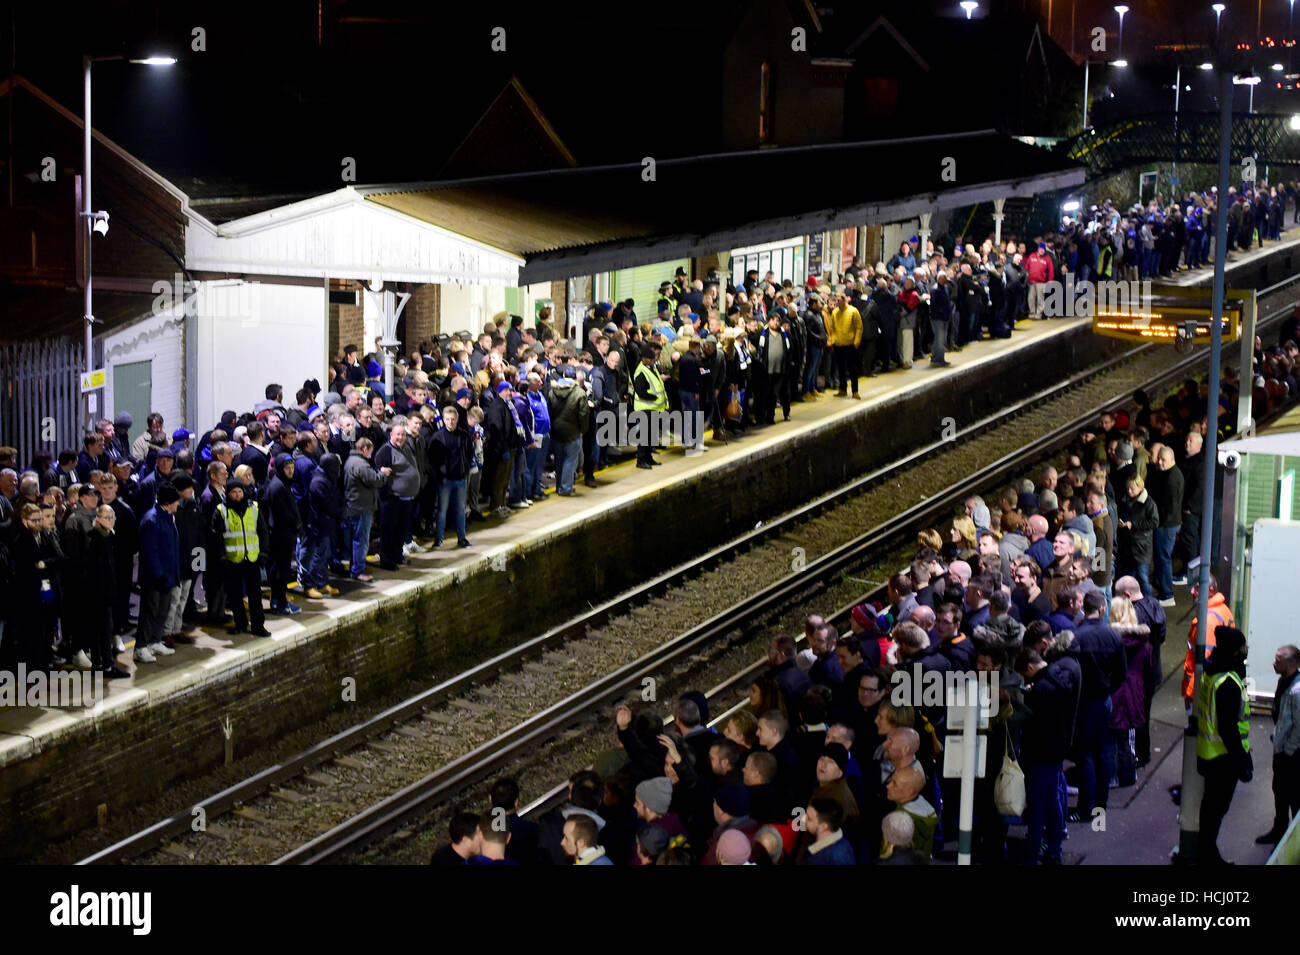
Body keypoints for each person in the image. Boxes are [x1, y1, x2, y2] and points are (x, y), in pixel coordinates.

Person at [1194, 627, 1253, 865]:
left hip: (1209, 754)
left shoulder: (1213, 672)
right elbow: (1228, 728)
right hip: (1224, 758)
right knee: (1216, 810)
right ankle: (1208, 856)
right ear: (1235, 651)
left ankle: (1205, 852)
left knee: (1210, 808)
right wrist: (1243, 760)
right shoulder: (1228, 681)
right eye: (1243, 646)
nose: (1246, 649)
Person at [212, 479, 271, 637]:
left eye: (240, 492)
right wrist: (222, 557)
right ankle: (240, 624)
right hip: (232, 560)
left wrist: (264, 553)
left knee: (255, 595)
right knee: (235, 595)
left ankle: (258, 625)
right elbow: (216, 538)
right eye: (234, 492)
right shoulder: (221, 511)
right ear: (228, 494)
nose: (237, 495)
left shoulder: (254, 508)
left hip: (252, 558)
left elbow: (263, 531)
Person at [1257, 645, 1300, 844]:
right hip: (1282, 750)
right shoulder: (1284, 681)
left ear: (1290, 664)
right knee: (1280, 791)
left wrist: (1288, 750)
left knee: (1294, 796)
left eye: (1278, 661)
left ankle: (1293, 840)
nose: (1274, 663)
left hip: (1293, 755)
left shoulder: (1297, 691)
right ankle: (1280, 830)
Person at [136, 483, 183, 663]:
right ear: (168, 503)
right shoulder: (152, 520)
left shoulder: (168, 517)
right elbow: (150, 552)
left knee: (162, 610)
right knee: (149, 612)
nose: (178, 504)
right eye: (176, 501)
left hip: (168, 576)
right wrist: (160, 574)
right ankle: (141, 647)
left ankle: (154, 641)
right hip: (155, 578)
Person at [373, 422, 420, 570]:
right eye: (398, 434)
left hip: (406, 498)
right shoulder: (385, 452)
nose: (400, 437)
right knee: (389, 530)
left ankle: (397, 556)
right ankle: (386, 560)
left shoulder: (406, 447)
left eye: (403, 434)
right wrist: (386, 499)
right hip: (392, 498)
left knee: (400, 530)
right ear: (391, 435)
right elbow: (380, 477)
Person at [261, 454, 302, 614]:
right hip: (282, 535)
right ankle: (281, 604)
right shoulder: (278, 487)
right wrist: (296, 525)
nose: (291, 471)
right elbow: (282, 514)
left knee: (278, 569)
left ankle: (278, 601)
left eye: (292, 468)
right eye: (287, 468)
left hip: (282, 534)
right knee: (280, 570)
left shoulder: (280, 484)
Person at [428, 406, 472, 548]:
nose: (450, 422)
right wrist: (439, 474)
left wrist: (465, 469)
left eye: (453, 419)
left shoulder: (464, 435)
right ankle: (439, 538)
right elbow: (432, 458)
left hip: (460, 478)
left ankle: (462, 538)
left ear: (457, 420)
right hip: (445, 480)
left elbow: (469, 453)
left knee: (460, 510)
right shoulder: (437, 437)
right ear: (443, 419)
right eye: (447, 419)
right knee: (442, 510)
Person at [1147, 445, 1184, 607]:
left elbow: (1170, 506)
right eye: (1159, 459)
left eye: (1163, 460)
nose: (1160, 462)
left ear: (1172, 459)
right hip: (1168, 523)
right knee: (1162, 558)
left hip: (1166, 525)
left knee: (1163, 558)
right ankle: (1164, 590)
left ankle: (1167, 594)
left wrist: (1158, 522)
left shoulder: (1172, 478)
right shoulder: (1171, 474)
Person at [826, 289, 863, 398]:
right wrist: (833, 341)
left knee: (852, 369)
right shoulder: (835, 312)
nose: (837, 303)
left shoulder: (853, 311)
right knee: (841, 368)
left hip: (850, 344)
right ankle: (842, 389)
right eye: (836, 300)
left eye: (838, 300)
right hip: (838, 344)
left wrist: (856, 341)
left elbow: (859, 327)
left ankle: (855, 391)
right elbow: (832, 328)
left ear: (844, 300)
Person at [798, 797, 855, 865]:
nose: (802, 819)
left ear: (823, 826)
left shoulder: (835, 859)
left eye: (809, 818)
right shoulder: (837, 841)